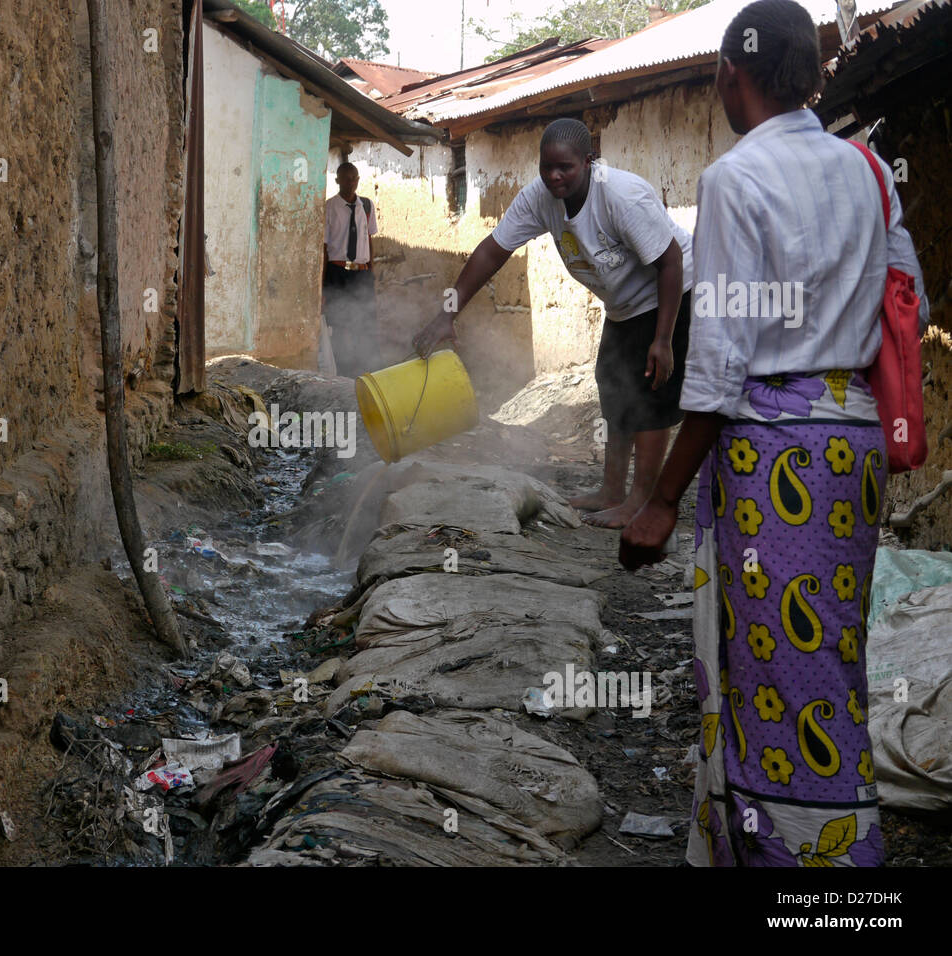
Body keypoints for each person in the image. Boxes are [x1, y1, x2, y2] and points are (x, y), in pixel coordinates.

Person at [619, 0, 929, 867]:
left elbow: (716, 365)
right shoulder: (869, 170)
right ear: (816, 77)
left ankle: (817, 875)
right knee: (830, 654)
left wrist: (659, 502)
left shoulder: (733, 180)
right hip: (855, 448)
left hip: (773, 458)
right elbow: (911, 305)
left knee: (779, 674)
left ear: (728, 73)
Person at [414, 119, 693, 528]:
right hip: (624, 304)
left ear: (588, 161)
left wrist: (664, 339)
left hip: (674, 291)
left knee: (650, 395)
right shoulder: (539, 198)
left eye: (565, 168)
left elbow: (671, 261)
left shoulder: (621, 196)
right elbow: (493, 252)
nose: (555, 176)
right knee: (614, 388)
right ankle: (612, 491)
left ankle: (641, 502)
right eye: (547, 167)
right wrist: (447, 313)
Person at [323, 162, 378, 378]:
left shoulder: (367, 205)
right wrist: (322, 288)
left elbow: (369, 238)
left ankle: (366, 370)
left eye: (354, 178)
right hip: (337, 273)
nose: (351, 182)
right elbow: (324, 248)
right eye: (346, 178)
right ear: (337, 180)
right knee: (339, 323)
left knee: (365, 321)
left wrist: (371, 270)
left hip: (361, 274)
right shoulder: (329, 207)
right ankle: (343, 372)